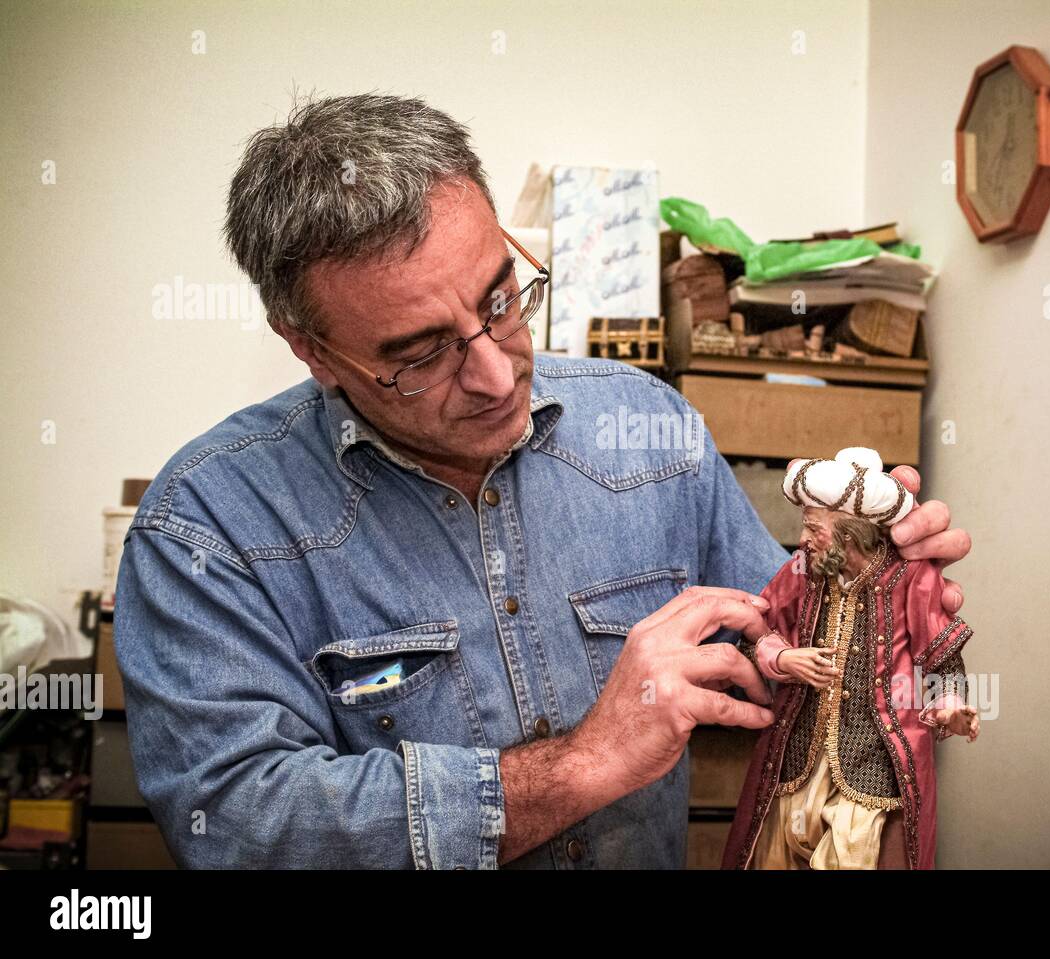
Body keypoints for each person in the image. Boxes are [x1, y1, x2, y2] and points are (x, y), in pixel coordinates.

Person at [113, 94, 972, 869]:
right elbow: (236, 825)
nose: (495, 375)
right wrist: (584, 764)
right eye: (419, 354)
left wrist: (870, 584)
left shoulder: (653, 428)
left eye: (499, 299)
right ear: (310, 347)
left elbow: (769, 633)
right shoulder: (207, 527)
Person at [724, 448, 979, 870]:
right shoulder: (801, 571)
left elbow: (942, 656)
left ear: (849, 534)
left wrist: (949, 704)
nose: (803, 540)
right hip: (796, 759)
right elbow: (752, 634)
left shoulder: (911, 577)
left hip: (872, 764)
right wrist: (783, 659)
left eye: (812, 529)